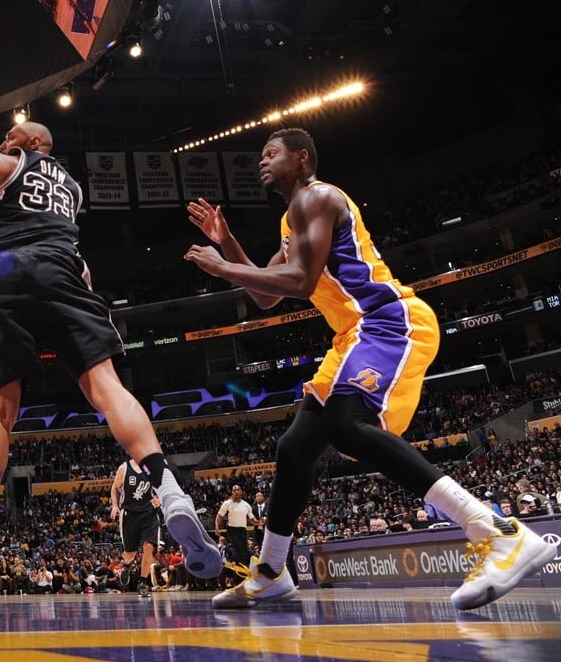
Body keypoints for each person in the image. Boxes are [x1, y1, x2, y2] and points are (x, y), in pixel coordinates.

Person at [184, 127, 555, 610]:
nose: (261, 161)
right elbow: (266, 294)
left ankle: (499, 531)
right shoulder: (292, 219)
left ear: (301, 159)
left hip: (386, 322)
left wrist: (222, 268)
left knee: (345, 423)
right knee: (295, 447)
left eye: (271, 153)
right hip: (353, 338)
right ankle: (272, 572)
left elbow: (299, 280)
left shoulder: (316, 198)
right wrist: (230, 244)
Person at [0, 122, 222, 610]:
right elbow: (23, 230)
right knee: (106, 387)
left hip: (4, 274)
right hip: (63, 267)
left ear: (32, 144)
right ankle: (171, 491)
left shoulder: (14, 162)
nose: (5, 138)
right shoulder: (69, 189)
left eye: (13, 134)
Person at [109, 459, 162, 596]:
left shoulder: (152, 467)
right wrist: (115, 505)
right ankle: (127, 566)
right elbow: (115, 488)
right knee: (130, 554)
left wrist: (159, 498)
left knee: (149, 548)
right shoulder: (124, 468)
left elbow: (161, 488)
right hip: (129, 513)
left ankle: (142, 583)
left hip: (149, 513)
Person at [215, 484, 254, 570]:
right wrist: (217, 527)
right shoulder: (227, 503)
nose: (236, 491)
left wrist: (258, 522)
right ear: (232, 492)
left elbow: (252, 519)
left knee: (244, 553)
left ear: (241, 492)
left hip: (243, 530)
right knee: (238, 550)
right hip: (232, 530)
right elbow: (219, 516)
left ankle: (240, 573)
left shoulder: (246, 505)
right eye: (234, 490)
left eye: (238, 490)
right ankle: (234, 568)